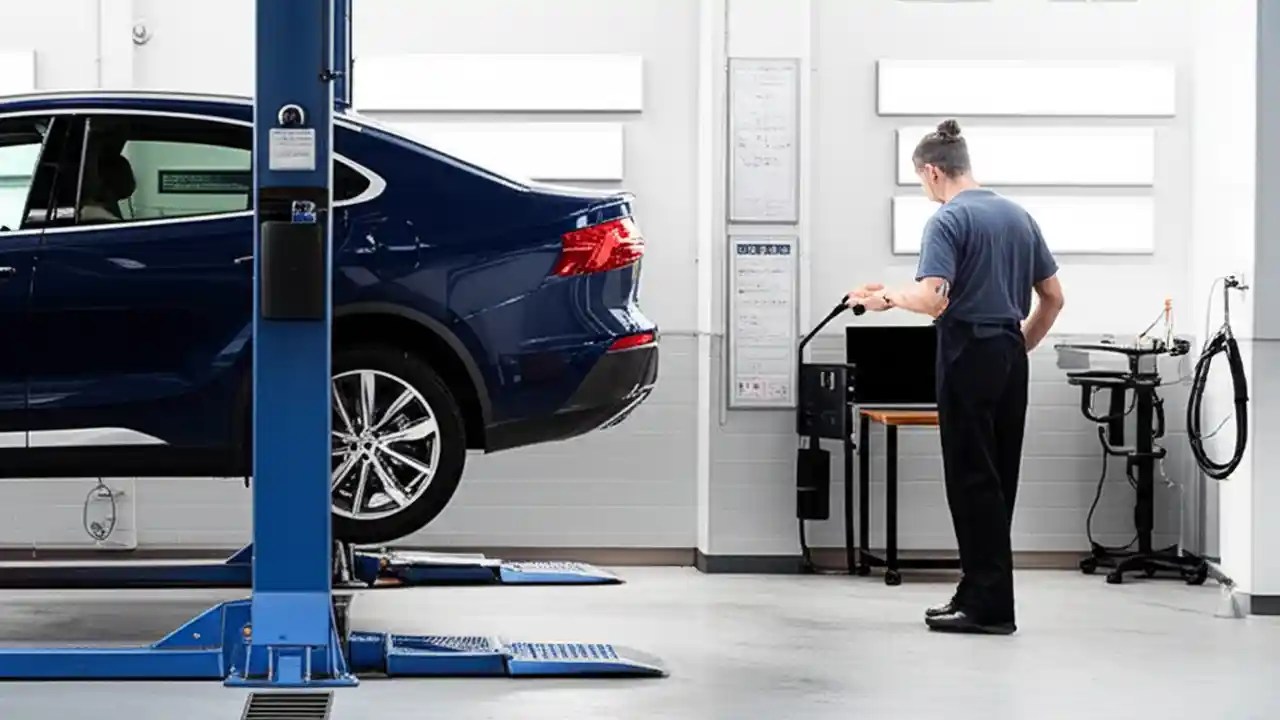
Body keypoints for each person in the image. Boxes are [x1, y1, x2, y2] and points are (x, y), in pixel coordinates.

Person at [848, 119, 1065, 635]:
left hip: (968, 351)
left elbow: (932, 299)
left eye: (921, 181)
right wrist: (1017, 345)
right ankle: (978, 594)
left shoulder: (947, 220)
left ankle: (989, 608)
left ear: (932, 171)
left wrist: (885, 298)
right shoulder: (1018, 217)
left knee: (971, 479)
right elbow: (1053, 298)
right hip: (1009, 353)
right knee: (998, 480)